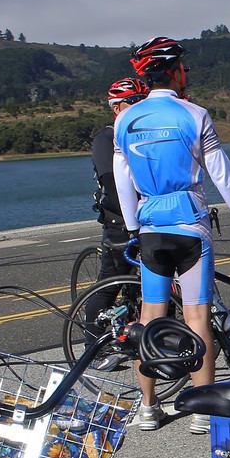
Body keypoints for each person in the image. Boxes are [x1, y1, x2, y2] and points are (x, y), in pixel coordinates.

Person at [113, 36, 230, 434]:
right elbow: (220, 171)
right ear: (174, 72)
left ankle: (148, 406)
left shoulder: (124, 120)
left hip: (150, 228)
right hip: (190, 224)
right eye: (183, 69)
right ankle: (202, 411)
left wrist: (132, 229)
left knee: (150, 317)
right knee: (197, 317)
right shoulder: (195, 114)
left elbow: (124, 180)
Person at [81, 77, 148, 370]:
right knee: (111, 282)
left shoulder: (142, 133)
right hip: (119, 220)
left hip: (150, 216)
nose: (139, 107)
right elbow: (112, 182)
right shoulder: (107, 138)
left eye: (142, 101)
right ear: (116, 106)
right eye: (134, 102)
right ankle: (92, 348)